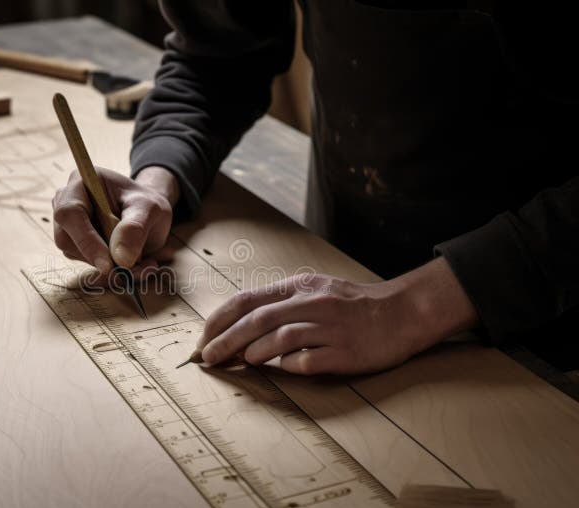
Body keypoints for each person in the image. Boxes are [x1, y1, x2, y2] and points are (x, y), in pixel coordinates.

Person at [52, 2, 579, 375]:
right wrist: (156, 183)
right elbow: (216, 57)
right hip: (339, 263)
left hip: (552, 311)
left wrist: (415, 306)